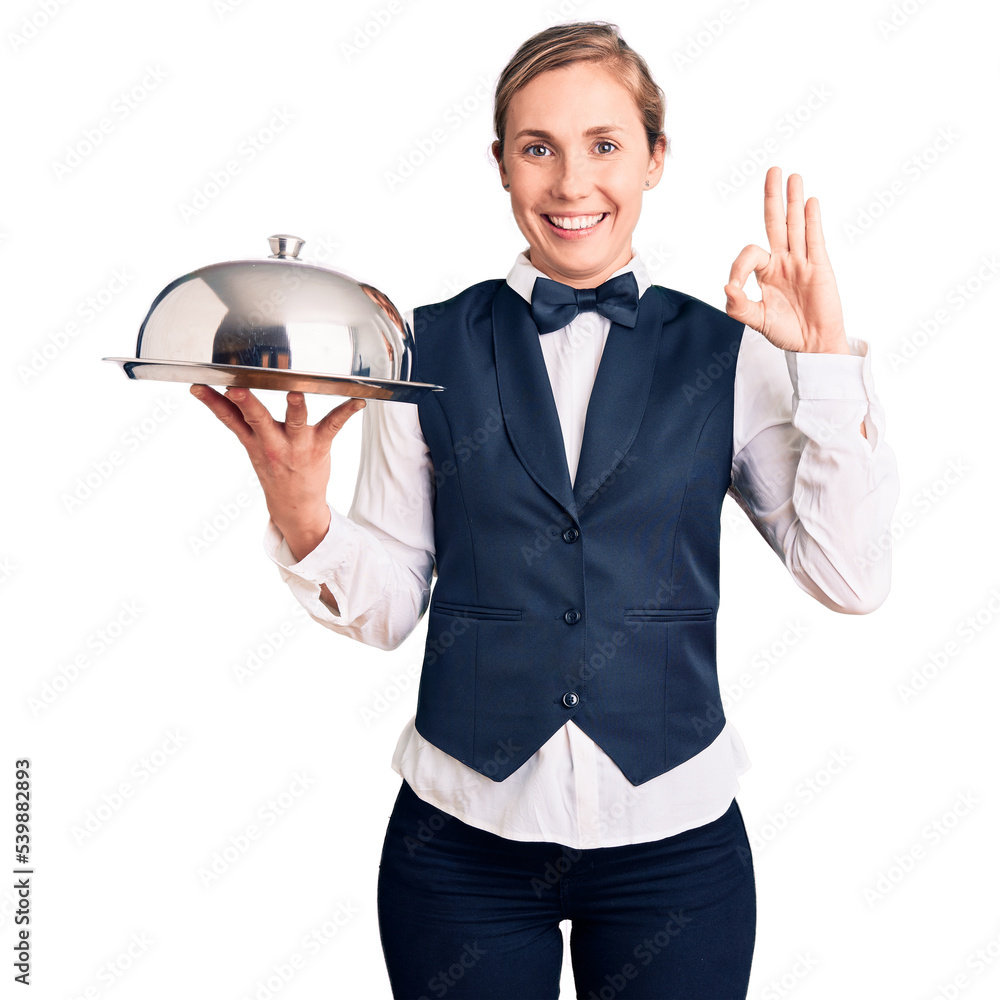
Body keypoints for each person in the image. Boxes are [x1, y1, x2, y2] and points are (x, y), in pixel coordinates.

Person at [191, 21, 899, 1000]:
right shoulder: (419, 349)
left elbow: (851, 577)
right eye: (539, 148)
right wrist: (304, 511)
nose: (572, 184)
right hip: (459, 848)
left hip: (674, 846)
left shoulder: (729, 355)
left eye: (605, 144)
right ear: (500, 164)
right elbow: (393, 604)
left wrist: (820, 366)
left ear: (655, 158)